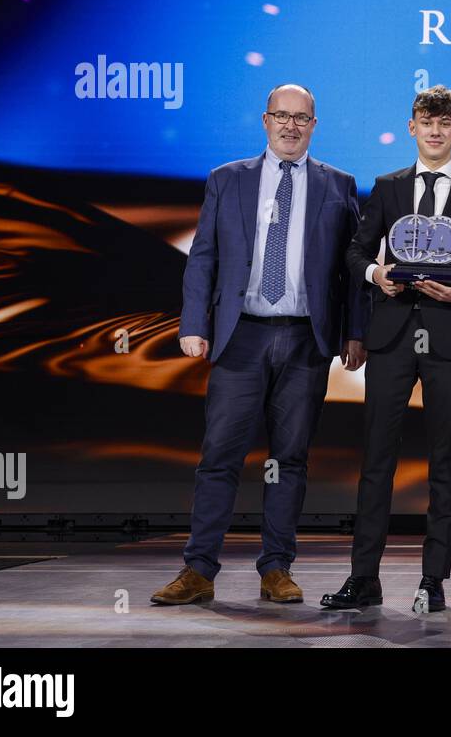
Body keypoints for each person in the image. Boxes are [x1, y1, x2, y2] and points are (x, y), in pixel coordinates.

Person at [152, 84, 367, 605]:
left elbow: (353, 271)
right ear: (265, 121)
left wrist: (355, 332)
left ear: (314, 125)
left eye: (302, 119)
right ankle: (198, 570)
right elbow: (203, 256)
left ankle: (276, 568)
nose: (291, 126)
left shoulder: (339, 185)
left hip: (305, 340)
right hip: (240, 335)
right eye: (281, 116)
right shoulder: (228, 180)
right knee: (220, 456)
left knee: (289, 459)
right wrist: (191, 323)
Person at [321, 85, 451, 613]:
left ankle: (433, 580)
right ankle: (364, 578)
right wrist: (377, 273)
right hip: (392, 336)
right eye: (426, 120)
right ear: (412, 127)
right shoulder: (386, 187)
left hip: (449, 335)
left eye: (445, 122)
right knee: (377, 458)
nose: (435, 129)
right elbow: (356, 251)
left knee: (445, 460)